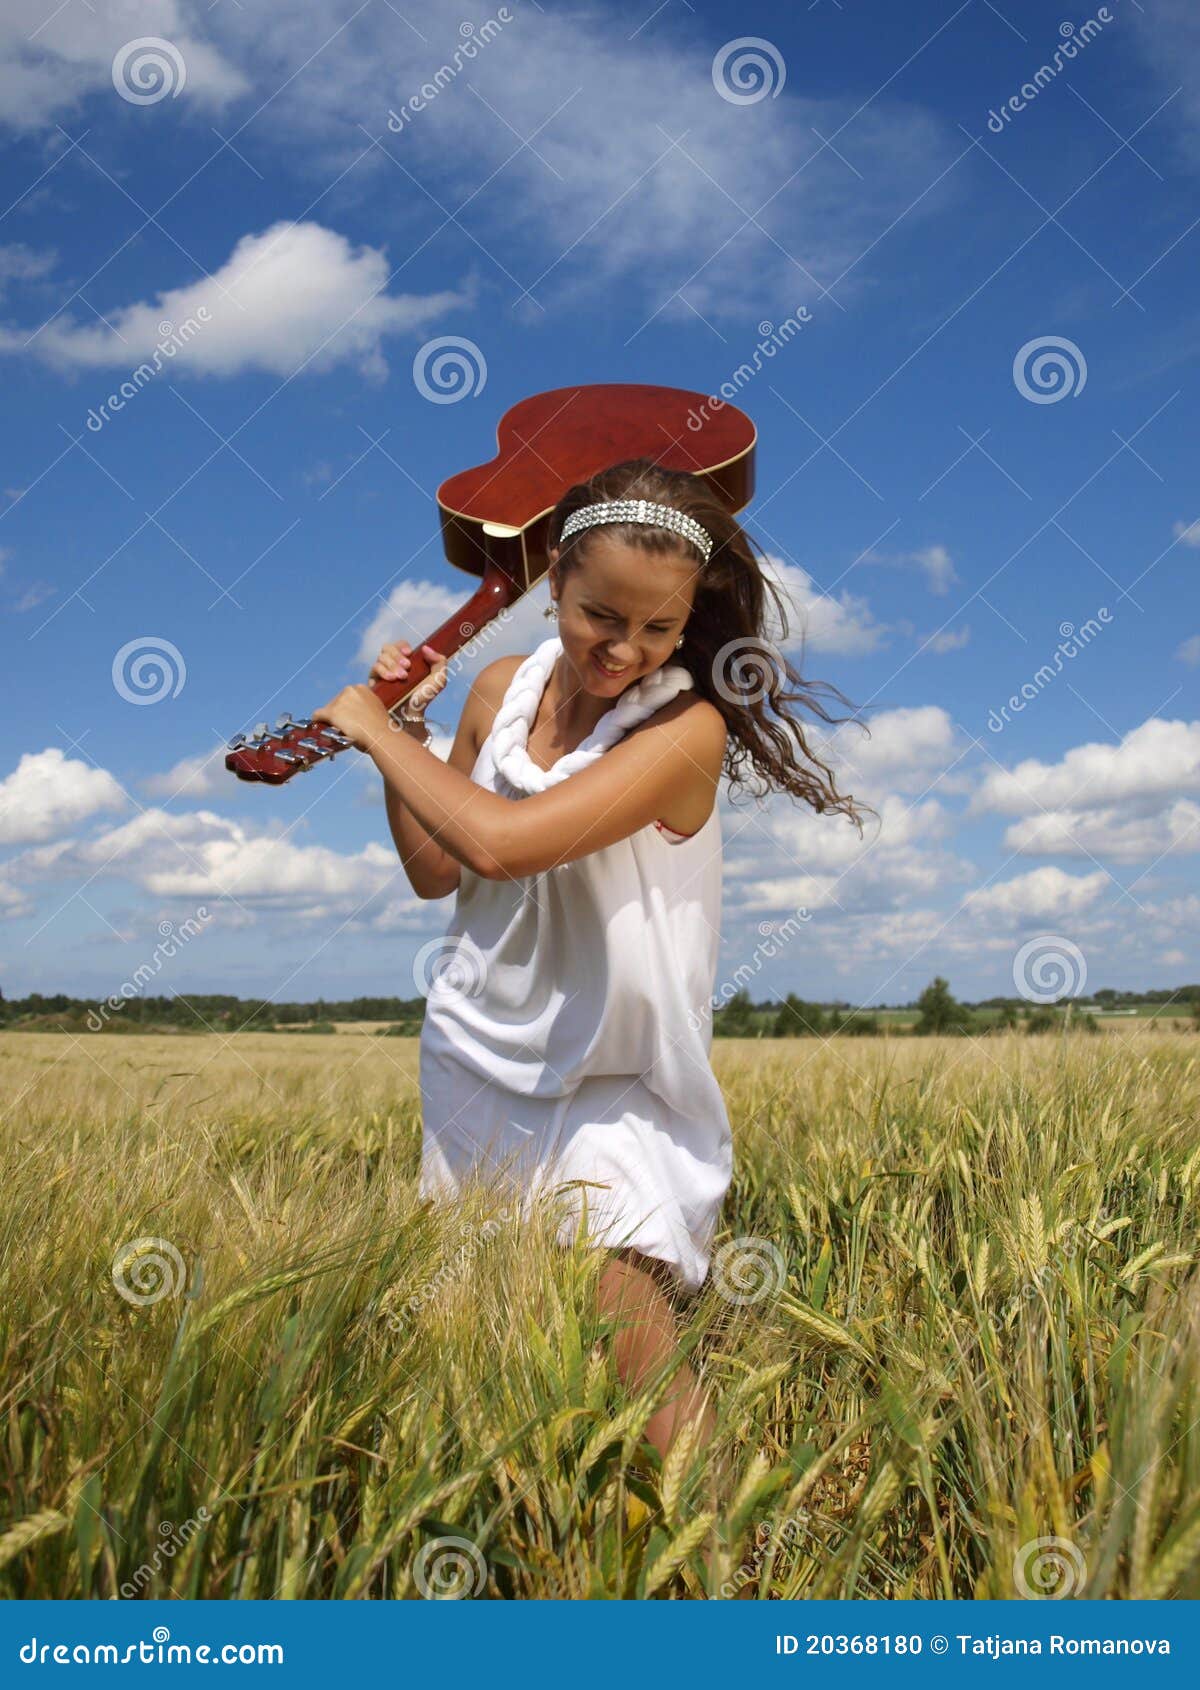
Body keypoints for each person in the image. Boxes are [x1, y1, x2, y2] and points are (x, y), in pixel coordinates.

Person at [313, 457, 872, 1595]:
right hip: (479, 1050)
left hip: (615, 1075)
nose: (625, 647)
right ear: (552, 581)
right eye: (599, 615)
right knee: (494, 1338)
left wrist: (375, 731)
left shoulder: (685, 734)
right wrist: (413, 725)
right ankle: (548, 1563)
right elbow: (434, 869)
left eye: (659, 626)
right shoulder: (499, 690)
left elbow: (502, 844)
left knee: (634, 1347)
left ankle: (738, 1581)